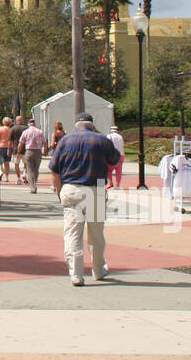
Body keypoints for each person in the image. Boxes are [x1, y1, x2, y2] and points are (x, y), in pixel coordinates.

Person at [47, 112, 119, 286]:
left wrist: (59, 191)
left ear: (76, 125)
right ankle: (99, 269)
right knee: (96, 234)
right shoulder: (101, 140)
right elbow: (115, 160)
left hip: (71, 188)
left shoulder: (65, 141)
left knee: (73, 233)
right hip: (95, 188)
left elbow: (54, 170)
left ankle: (76, 274)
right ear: (91, 125)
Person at [19, 118, 47, 193]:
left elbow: (21, 143)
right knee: (36, 169)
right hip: (38, 151)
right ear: (34, 124)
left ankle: (33, 187)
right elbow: (45, 142)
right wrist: (45, 151)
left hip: (29, 151)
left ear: (28, 124)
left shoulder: (26, 132)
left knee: (30, 169)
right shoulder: (40, 132)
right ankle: (34, 183)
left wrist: (19, 152)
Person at [107, 124, 126, 190]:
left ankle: (110, 183)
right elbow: (123, 145)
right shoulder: (120, 137)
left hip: (111, 155)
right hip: (120, 154)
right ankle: (117, 184)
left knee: (109, 170)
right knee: (119, 170)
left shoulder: (108, 136)